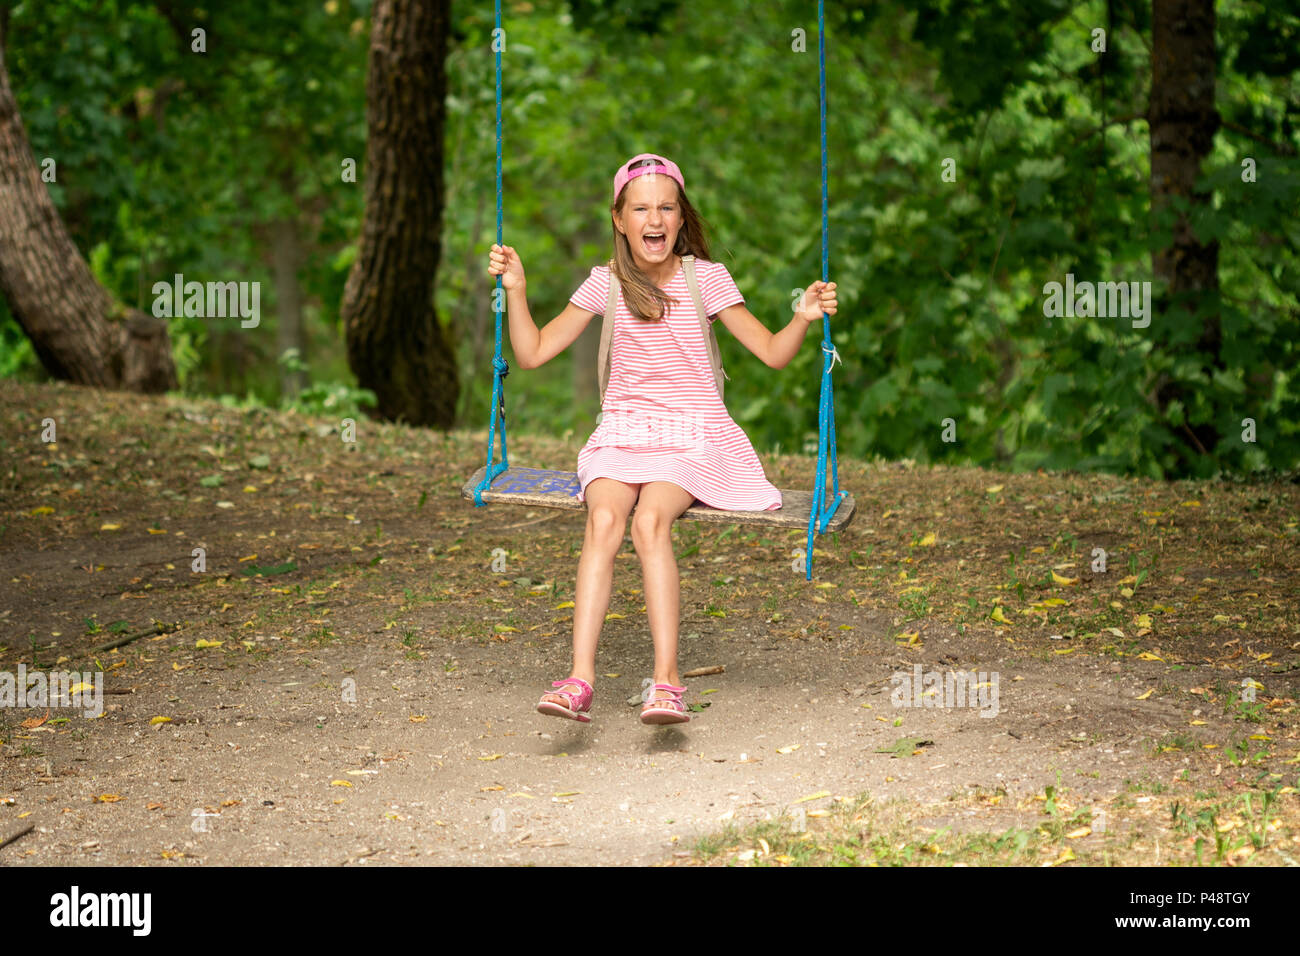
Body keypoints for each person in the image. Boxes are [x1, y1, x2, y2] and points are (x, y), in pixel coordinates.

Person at [487, 153, 836, 725]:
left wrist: (801, 317)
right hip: (622, 430)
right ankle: (579, 678)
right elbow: (531, 354)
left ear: (680, 218)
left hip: (693, 433)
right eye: (641, 208)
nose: (656, 219)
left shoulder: (707, 279)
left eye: (667, 208)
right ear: (620, 219)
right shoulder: (605, 283)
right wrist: (517, 290)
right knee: (603, 519)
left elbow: (773, 354)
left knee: (650, 521)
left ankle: (667, 681)